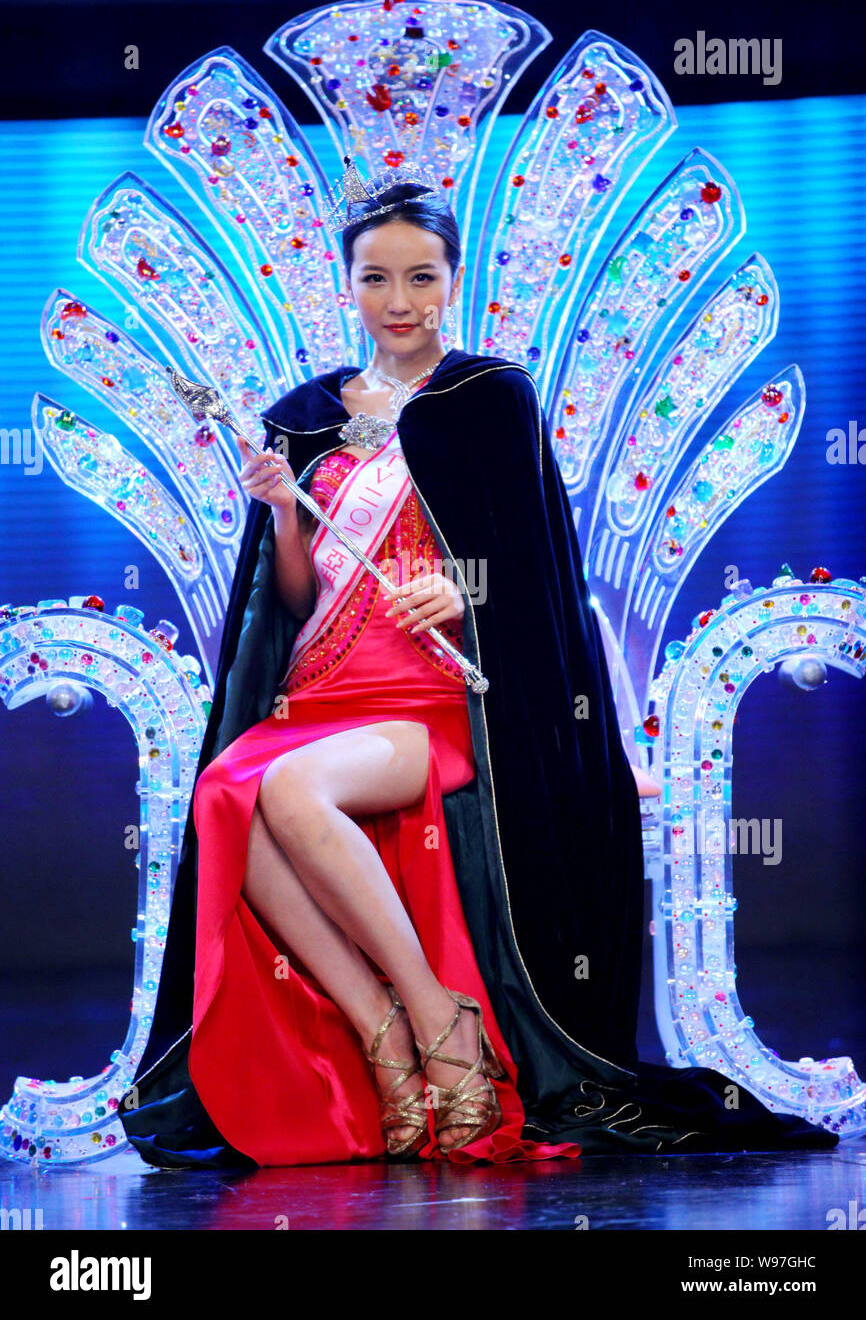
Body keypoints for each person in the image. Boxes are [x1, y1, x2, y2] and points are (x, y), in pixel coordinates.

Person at [117, 169, 838, 1168]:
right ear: (348, 284)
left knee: (284, 788)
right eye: (376, 279)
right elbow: (286, 601)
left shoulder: (485, 398)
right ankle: (388, 1031)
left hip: (435, 702)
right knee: (224, 795)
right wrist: (282, 508)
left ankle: (433, 1021)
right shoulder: (305, 418)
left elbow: (535, 566)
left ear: (452, 280)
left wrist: (466, 591)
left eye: (420, 277)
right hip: (319, 693)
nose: (399, 303)